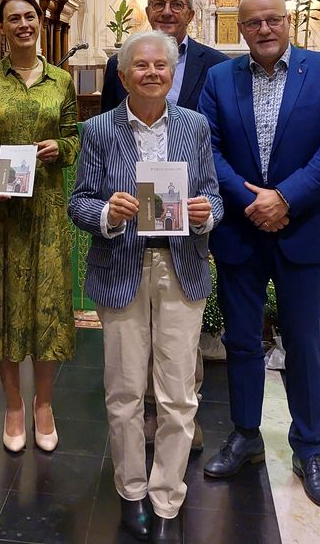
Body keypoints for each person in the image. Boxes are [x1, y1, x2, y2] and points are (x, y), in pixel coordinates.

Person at [198, 0, 320, 509]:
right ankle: (245, 435)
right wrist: (253, 200)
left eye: (272, 19)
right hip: (241, 230)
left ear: (287, 21)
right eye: (253, 23)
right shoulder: (220, 78)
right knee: (242, 342)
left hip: (302, 227)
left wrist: (285, 197)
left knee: (304, 344)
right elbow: (208, 147)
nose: (264, 29)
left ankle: (310, 449)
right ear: (240, 28)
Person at [69, 31, 222, 543]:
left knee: (178, 394)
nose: (152, 72)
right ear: (123, 74)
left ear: (173, 73)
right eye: (141, 65)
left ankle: (167, 496)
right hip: (121, 267)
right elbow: (79, 202)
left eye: (161, 65)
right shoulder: (98, 130)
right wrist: (107, 213)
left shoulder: (194, 126)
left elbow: (213, 197)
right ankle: (132, 490)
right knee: (125, 390)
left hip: (180, 267)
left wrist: (203, 213)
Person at [0, 0, 79, 453]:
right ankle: (13, 405)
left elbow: (72, 138)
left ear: (39, 23)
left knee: (47, 305)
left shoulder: (60, 81)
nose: (24, 24)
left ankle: (43, 404)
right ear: (2, 28)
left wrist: (59, 148)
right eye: (14, 18)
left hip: (45, 208)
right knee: (4, 305)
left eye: (30, 17)